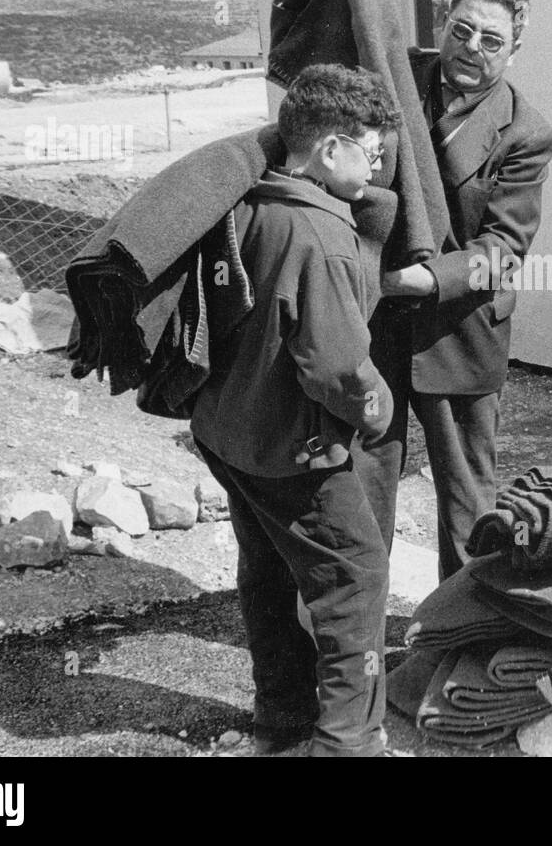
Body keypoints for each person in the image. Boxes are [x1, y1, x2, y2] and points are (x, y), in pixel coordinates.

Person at [280, 0, 552, 580]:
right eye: (461, 29)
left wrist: (417, 280)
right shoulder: (394, 74)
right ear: (444, 22)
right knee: (364, 482)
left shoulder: (526, 132)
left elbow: (502, 252)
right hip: (373, 327)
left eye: (492, 39)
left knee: (467, 503)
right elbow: (305, 71)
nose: (472, 48)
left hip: (457, 331)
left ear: (515, 46)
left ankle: (460, 640)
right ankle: (364, 639)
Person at [189, 64, 396, 757]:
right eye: (371, 147)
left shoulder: (248, 202)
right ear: (331, 148)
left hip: (230, 434)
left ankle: (281, 724)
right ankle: (347, 743)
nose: (379, 160)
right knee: (353, 580)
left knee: (268, 573)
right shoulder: (322, 234)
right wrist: (377, 408)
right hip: (290, 449)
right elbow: (334, 368)